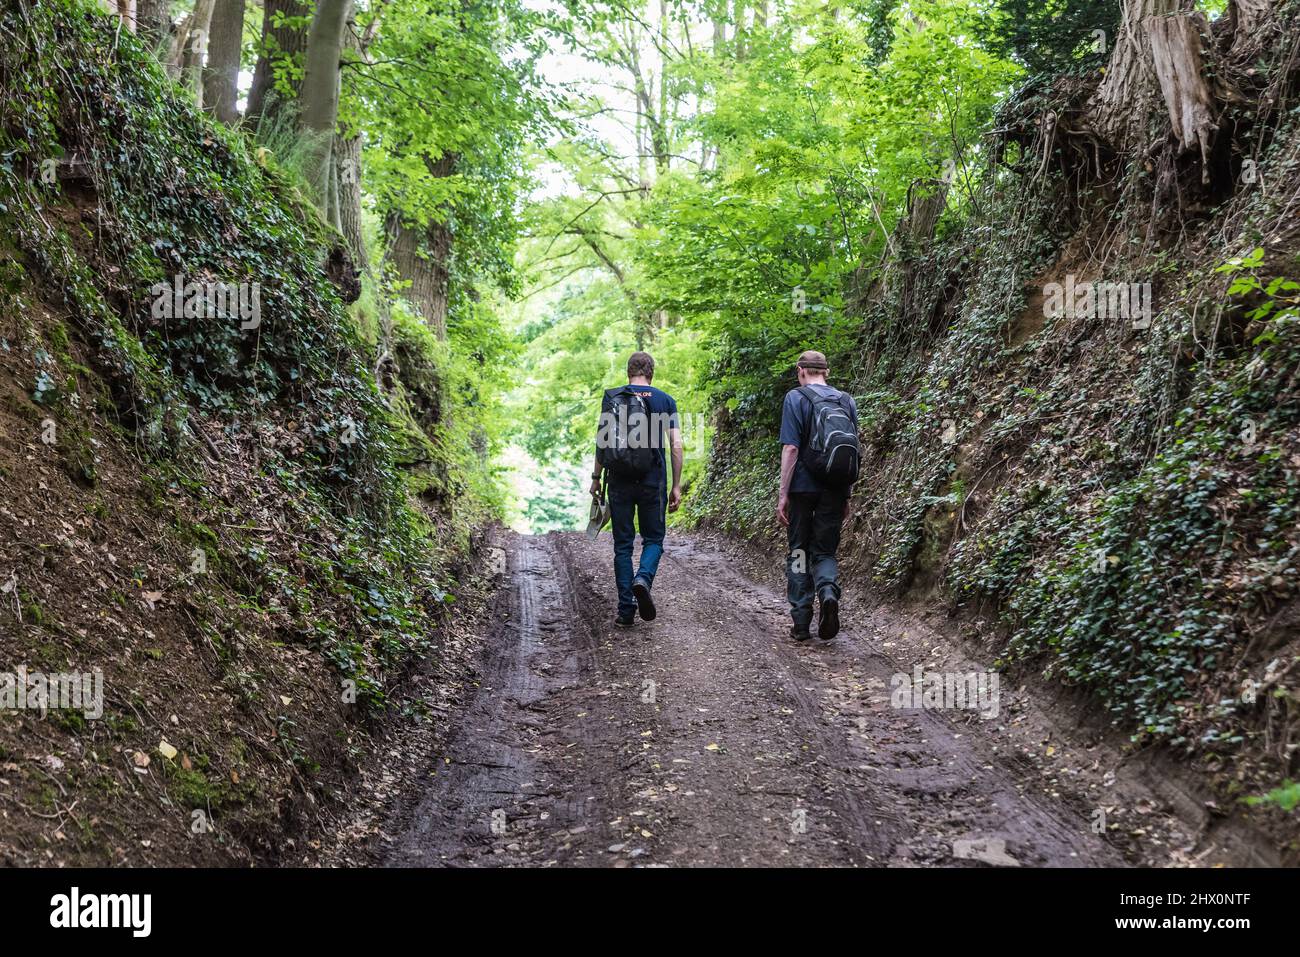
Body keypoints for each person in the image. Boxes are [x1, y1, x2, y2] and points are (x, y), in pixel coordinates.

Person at [590, 352, 683, 627]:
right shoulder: (665, 400)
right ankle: (643, 578)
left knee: (622, 545)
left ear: (628, 372)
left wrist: (596, 477)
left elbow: (602, 442)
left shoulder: (614, 397)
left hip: (618, 479)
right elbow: (676, 446)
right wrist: (676, 485)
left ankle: (626, 611)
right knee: (653, 539)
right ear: (651, 372)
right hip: (652, 480)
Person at [777, 351, 859, 642]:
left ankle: (801, 621)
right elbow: (852, 452)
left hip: (802, 488)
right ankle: (827, 593)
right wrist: (847, 494)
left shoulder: (795, 398)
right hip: (835, 487)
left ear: (800, 371)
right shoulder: (846, 400)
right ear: (827, 371)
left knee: (799, 550)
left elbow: (791, 449)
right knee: (824, 551)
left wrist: (783, 494)